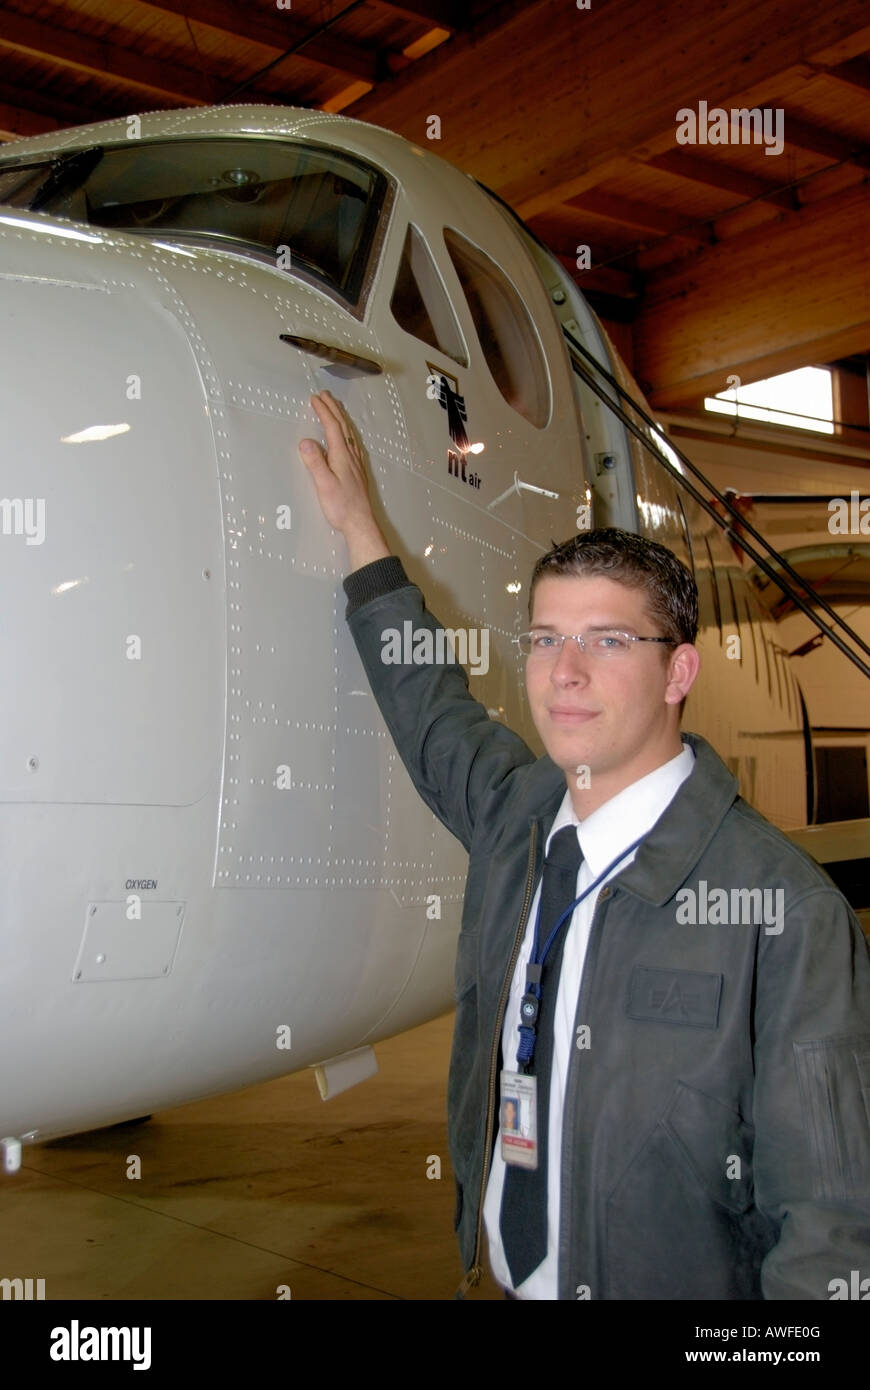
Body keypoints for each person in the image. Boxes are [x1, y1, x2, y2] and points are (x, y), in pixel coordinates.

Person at [298, 388, 870, 1301]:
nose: (565, 673)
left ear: (678, 668)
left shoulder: (785, 914)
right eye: (546, 639)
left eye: (608, 640)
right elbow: (431, 706)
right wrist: (362, 534)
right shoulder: (516, 820)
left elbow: (834, 1231)